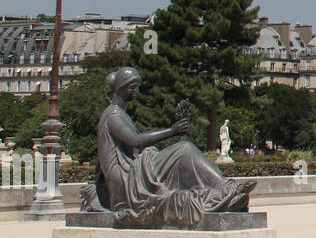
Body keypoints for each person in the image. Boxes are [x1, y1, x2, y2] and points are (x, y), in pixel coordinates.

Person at [82, 67, 254, 228]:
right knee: (183, 150)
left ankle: (223, 190)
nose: (137, 92)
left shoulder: (119, 114)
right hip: (127, 182)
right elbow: (136, 140)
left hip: (132, 175)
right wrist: (173, 131)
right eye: (133, 87)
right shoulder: (113, 116)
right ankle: (226, 189)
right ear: (120, 89)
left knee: (182, 151)